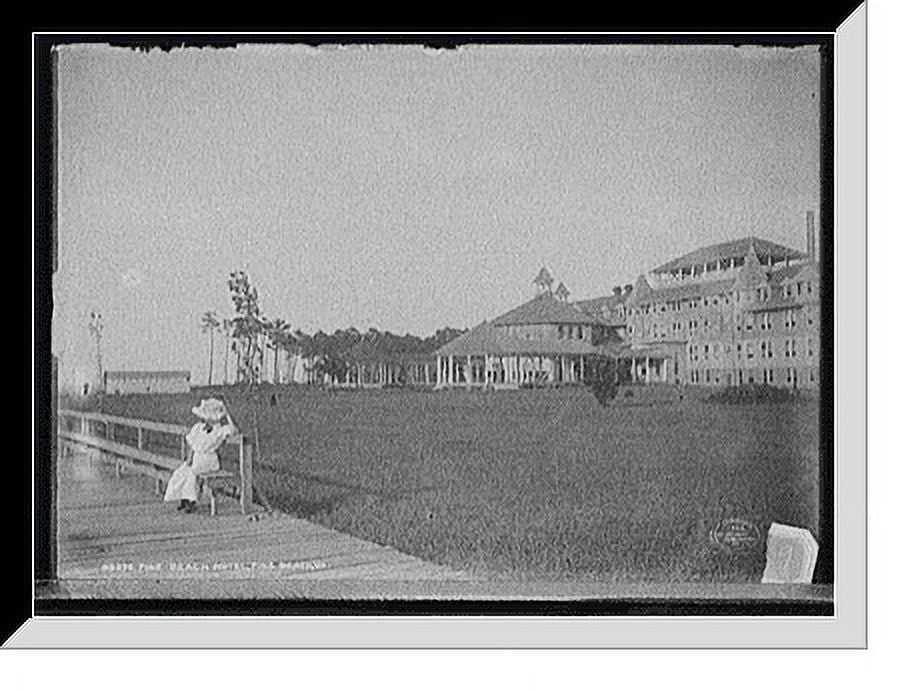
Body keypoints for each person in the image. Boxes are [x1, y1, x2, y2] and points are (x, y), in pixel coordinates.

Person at [163, 398, 237, 513]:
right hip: (197, 458)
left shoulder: (219, 430)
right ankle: (184, 500)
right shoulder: (198, 428)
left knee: (192, 474)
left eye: (210, 418)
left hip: (209, 460)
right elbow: (192, 445)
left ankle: (191, 501)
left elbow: (233, 429)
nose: (207, 421)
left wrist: (227, 414)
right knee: (181, 471)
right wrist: (189, 458)